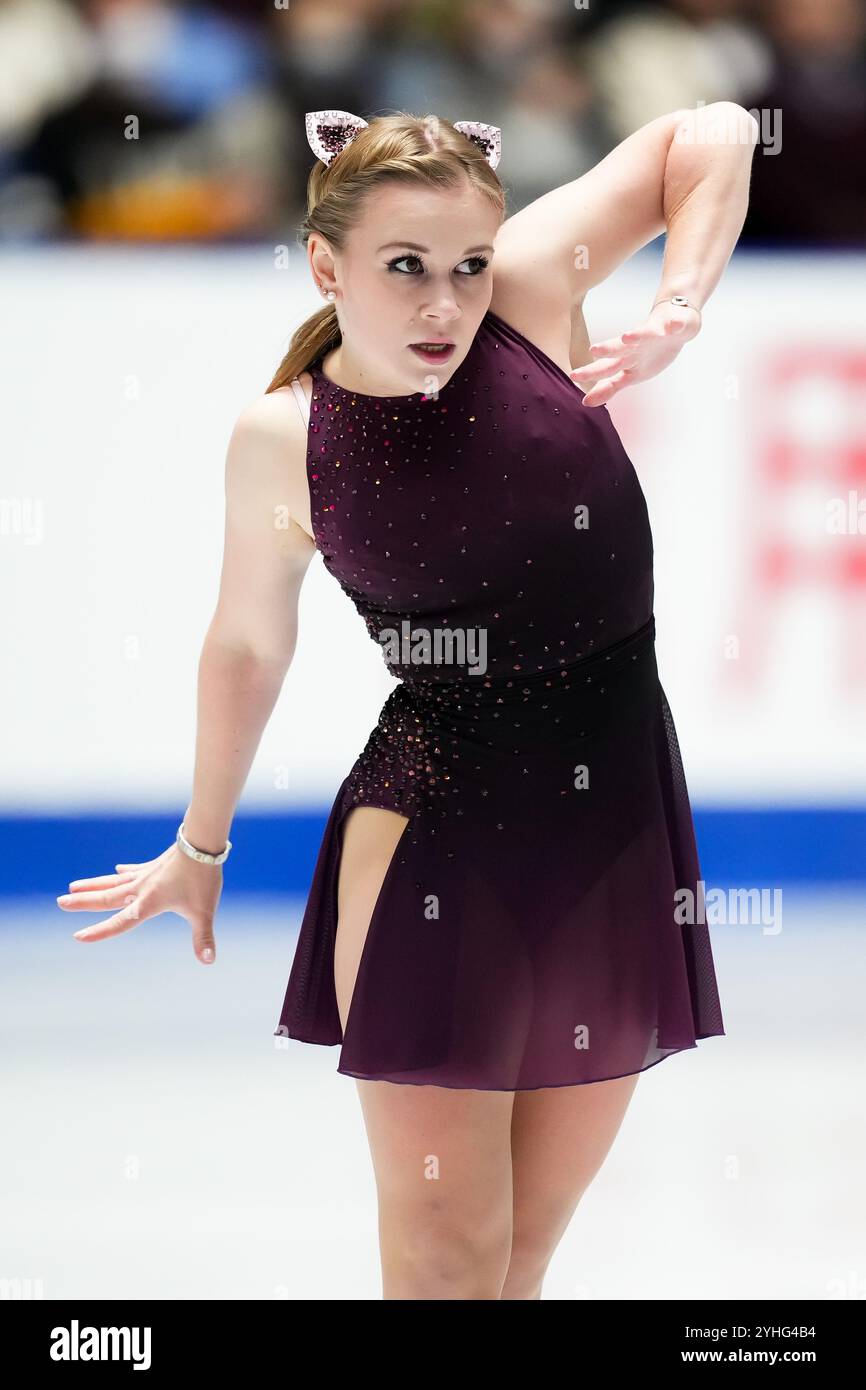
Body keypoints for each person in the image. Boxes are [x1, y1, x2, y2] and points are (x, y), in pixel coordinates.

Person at [58, 104, 757, 1300]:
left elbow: (718, 130)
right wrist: (199, 839)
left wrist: (680, 300)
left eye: (465, 267)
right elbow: (244, 644)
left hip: (616, 819)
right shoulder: (284, 437)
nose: (445, 304)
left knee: (517, 1257)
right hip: (433, 821)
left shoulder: (532, 299)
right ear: (325, 263)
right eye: (403, 270)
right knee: (445, 1263)